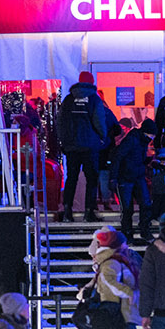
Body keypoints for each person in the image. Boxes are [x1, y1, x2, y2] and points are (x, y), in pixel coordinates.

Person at [57, 71, 112, 221]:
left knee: (71, 178)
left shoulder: (68, 99)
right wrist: (102, 137)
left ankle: (67, 211)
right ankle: (89, 212)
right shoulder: (94, 99)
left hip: (72, 147)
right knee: (92, 178)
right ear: (92, 82)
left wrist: (63, 141)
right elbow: (99, 121)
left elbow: (60, 122)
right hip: (90, 146)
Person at [89, 226, 142, 329]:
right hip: (120, 312)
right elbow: (110, 280)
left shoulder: (113, 260)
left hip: (117, 311)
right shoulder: (113, 261)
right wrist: (129, 292)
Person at [113, 117, 155, 243]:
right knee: (127, 208)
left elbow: (136, 159)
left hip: (137, 176)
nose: (152, 138)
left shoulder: (141, 141)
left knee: (146, 203)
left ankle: (144, 229)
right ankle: (128, 233)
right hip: (125, 178)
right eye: (151, 135)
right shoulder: (132, 140)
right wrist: (113, 178)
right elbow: (118, 156)